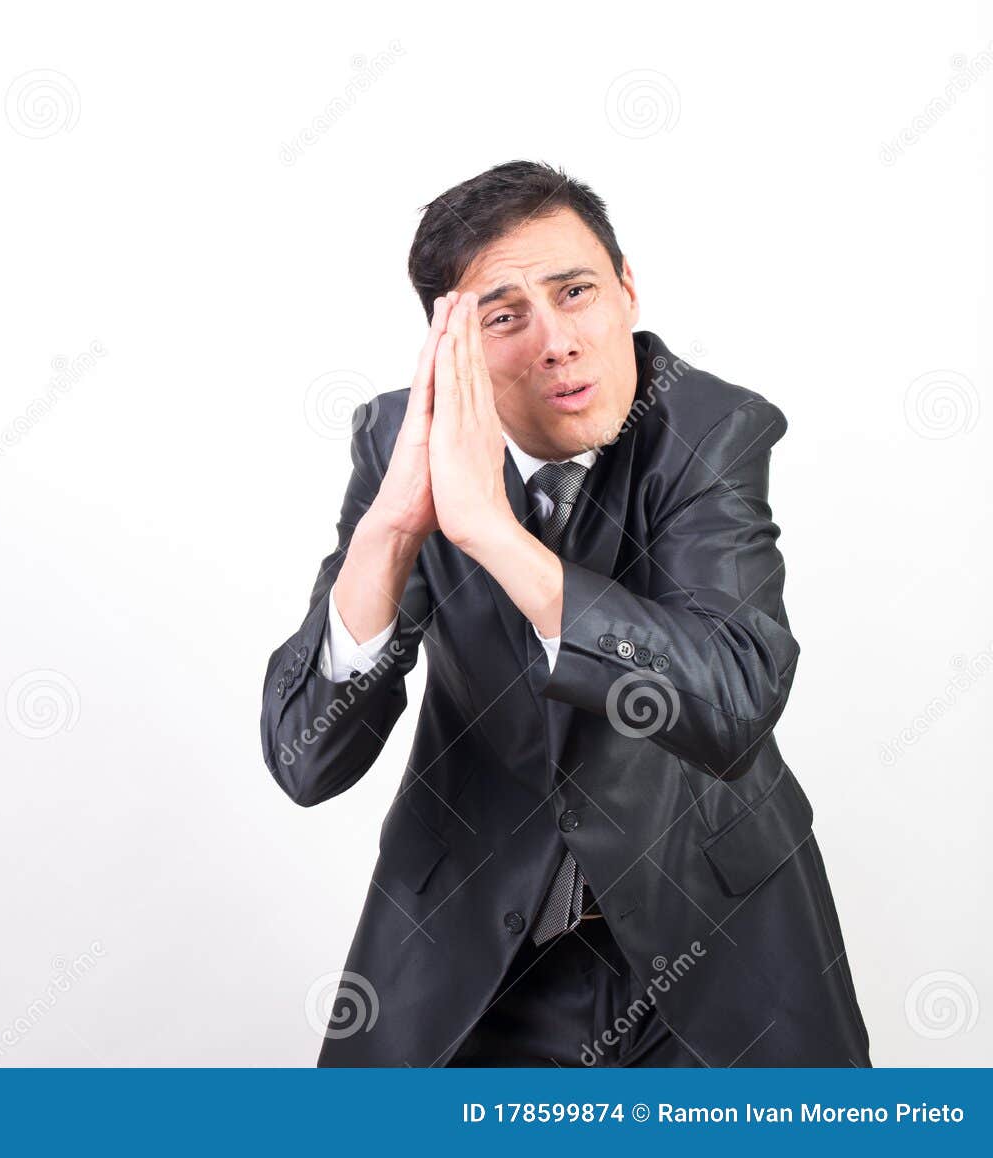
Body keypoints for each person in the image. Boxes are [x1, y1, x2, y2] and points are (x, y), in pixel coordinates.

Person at [259, 161, 871, 1067]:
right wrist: (393, 527)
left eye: (576, 291)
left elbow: (733, 701)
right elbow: (307, 760)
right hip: (476, 945)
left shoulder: (711, 430)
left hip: (706, 939)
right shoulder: (401, 440)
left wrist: (496, 536)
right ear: (449, 346)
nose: (557, 342)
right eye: (503, 315)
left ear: (627, 289)